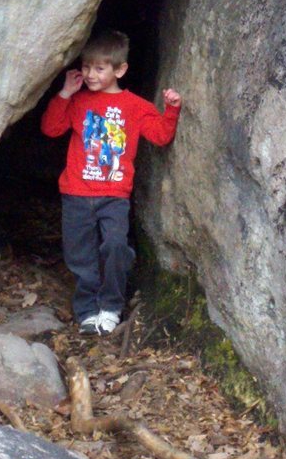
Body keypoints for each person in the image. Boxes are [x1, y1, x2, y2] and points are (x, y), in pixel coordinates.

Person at [41, 29, 181, 334]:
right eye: (87, 66)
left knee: (116, 246)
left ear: (120, 70)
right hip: (76, 192)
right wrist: (65, 93)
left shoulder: (135, 106)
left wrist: (171, 109)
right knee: (81, 255)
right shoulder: (77, 102)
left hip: (114, 194)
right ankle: (87, 310)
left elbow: (160, 136)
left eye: (100, 68)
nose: (91, 74)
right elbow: (51, 129)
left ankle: (111, 306)